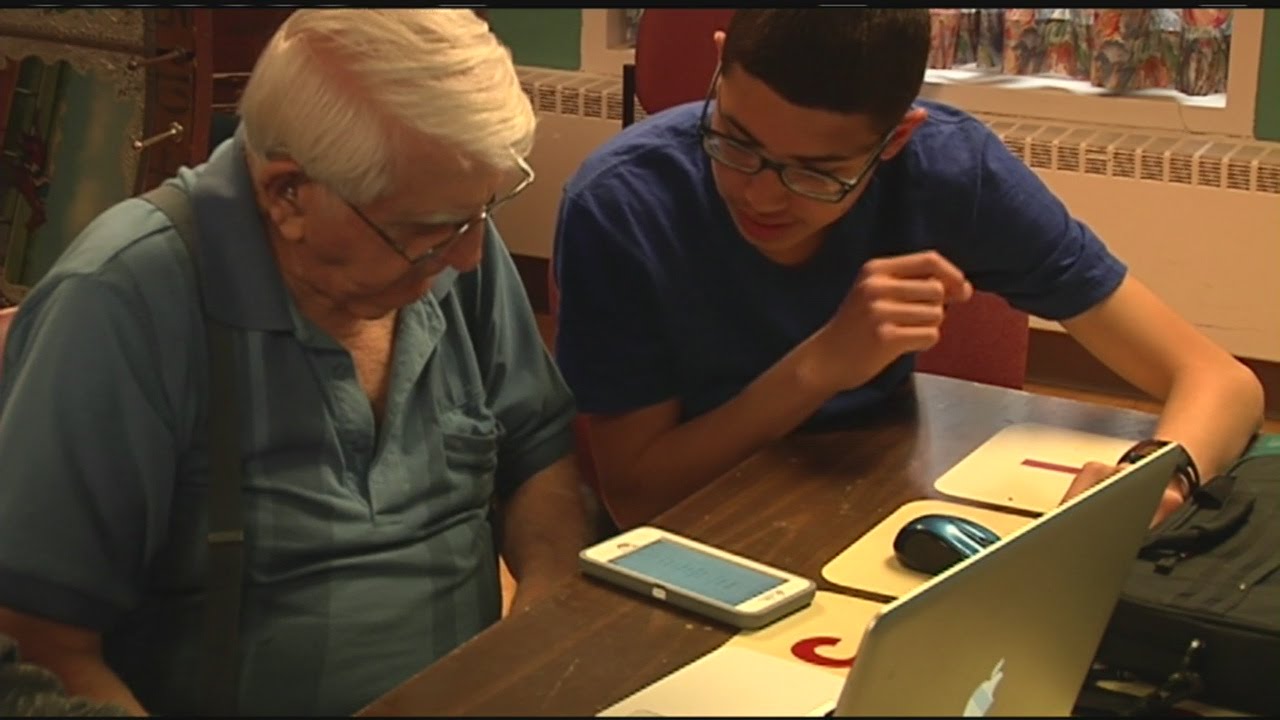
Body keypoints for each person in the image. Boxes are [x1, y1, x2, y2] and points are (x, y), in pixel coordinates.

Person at [0, 9, 590, 716]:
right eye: (433, 233)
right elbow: (41, 644)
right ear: (289, 195)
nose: (467, 257)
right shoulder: (123, 303)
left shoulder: (451, 238)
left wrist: (534, 648)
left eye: (481, 215)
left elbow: (540, 455)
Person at [552, 9, 1264, 529]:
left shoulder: (952, 168)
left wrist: (1156, 475)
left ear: (898, 139)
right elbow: (638, 495)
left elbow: (1220, 381)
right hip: (696, 528)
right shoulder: (621, 204)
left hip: (876, 495)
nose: (760, 193)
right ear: (718, 65)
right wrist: (823, 363)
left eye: (817, 172)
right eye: (735, 140)